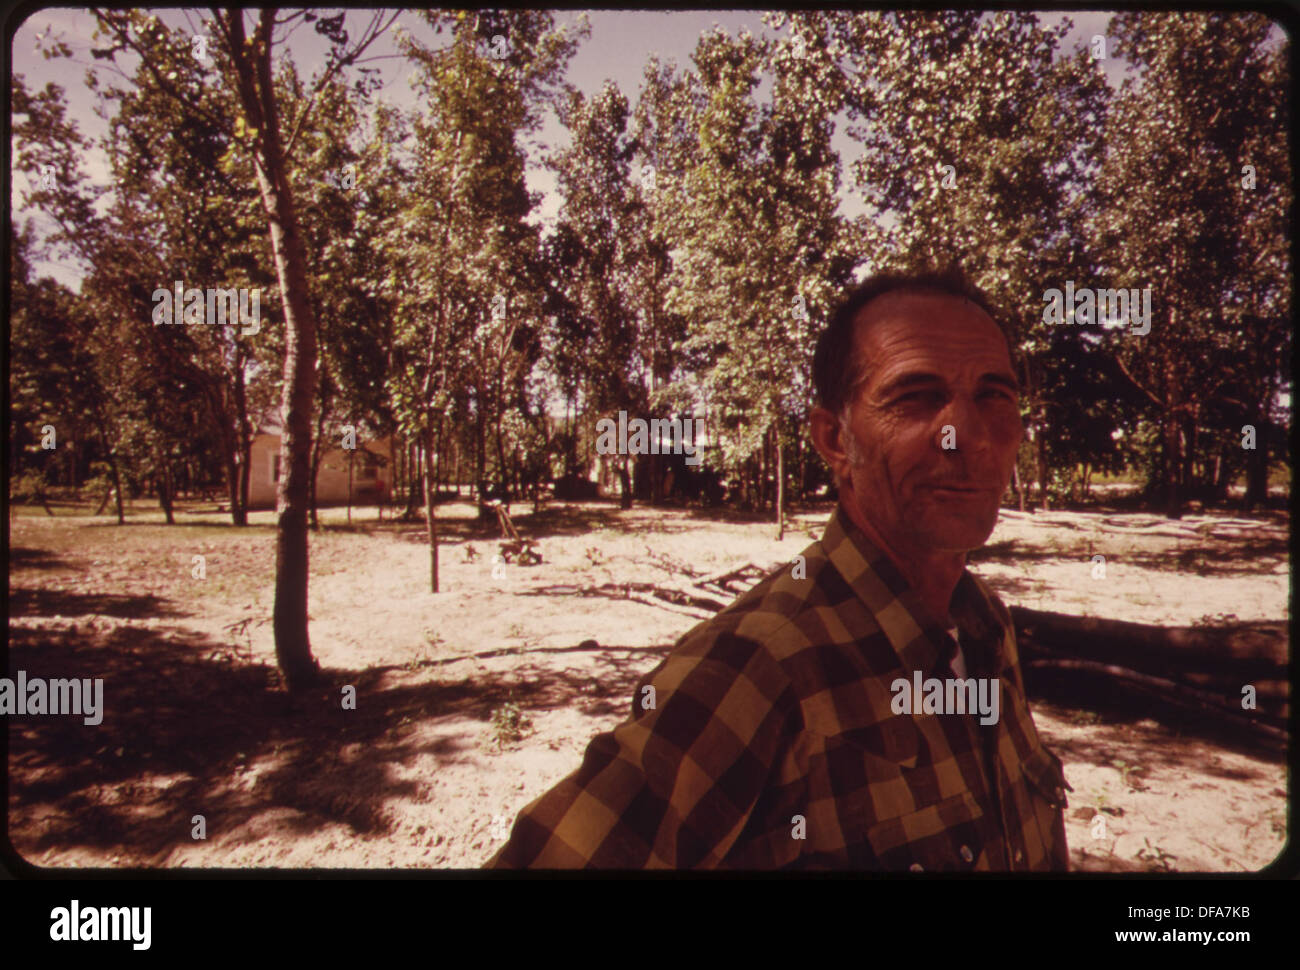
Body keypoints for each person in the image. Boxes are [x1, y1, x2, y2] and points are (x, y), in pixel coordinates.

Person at [487, 268, 1071, 870]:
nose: (966, 436)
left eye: (993, 396)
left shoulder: (984, 629)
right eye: (915, 397)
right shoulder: (757, 669)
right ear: (834, 441)